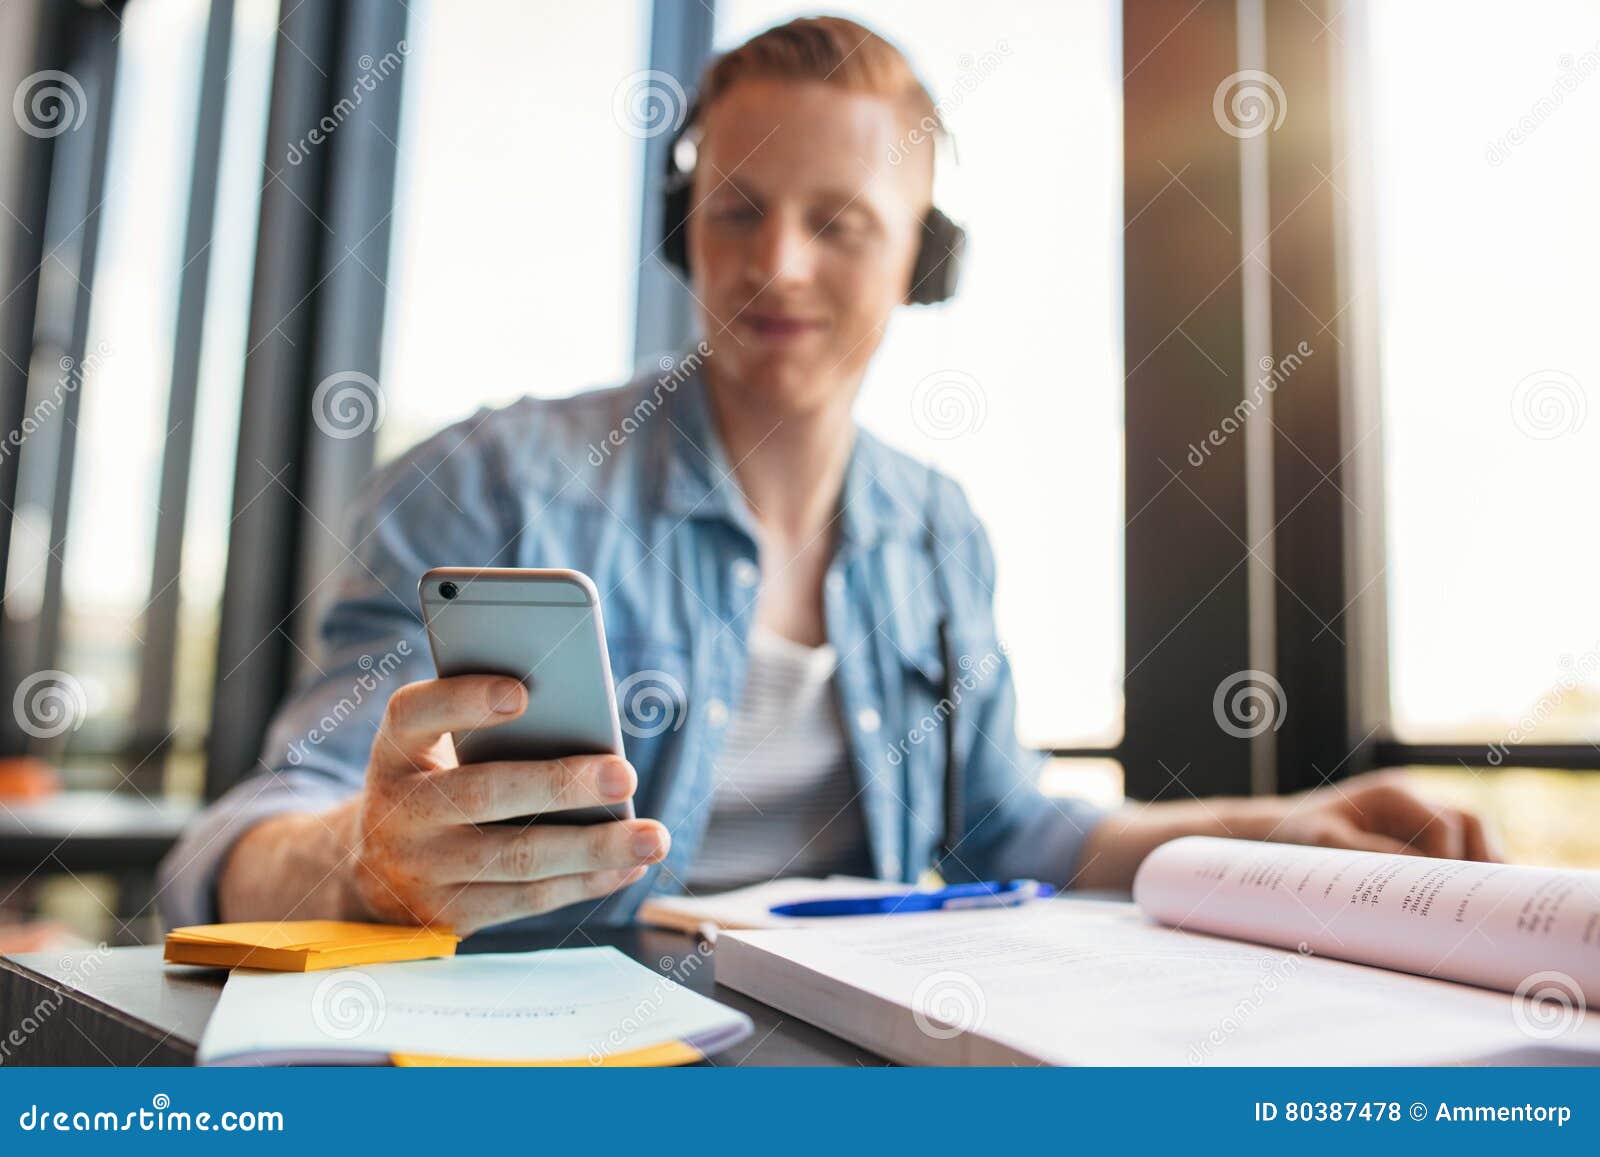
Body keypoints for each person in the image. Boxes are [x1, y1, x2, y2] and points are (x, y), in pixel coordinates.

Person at [158, 16, 1497, 937]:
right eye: (737, 208)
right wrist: (360, 858)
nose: (777, 264)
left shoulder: (937, 532)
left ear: (924, 259)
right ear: (685, 231)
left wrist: (1283, 827)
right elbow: (250, 834)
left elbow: (1009, 831)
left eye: (838, 223)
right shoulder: (490, 484)